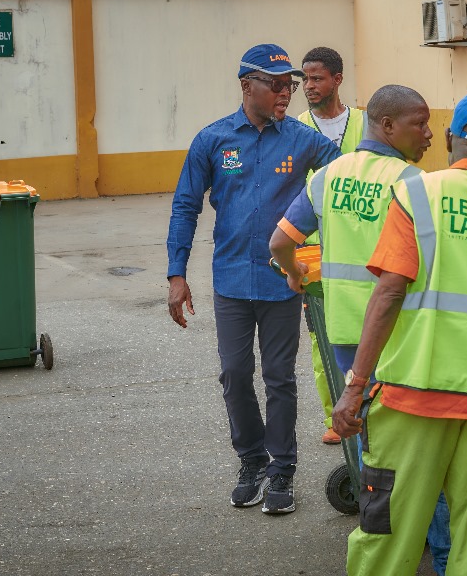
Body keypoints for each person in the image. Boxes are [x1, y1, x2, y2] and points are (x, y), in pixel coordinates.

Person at [332, 92, 467, 576]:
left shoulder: (416, 195)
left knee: (391, 528)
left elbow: (388, 294)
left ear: (450, 138)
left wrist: (354, 386)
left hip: (414, 394)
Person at [271, 84, 452, 573]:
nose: (429, 133)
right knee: (419, 444)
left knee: (369, 444)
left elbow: (280, 241)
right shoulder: (418, 184)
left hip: (347, 333)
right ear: (387, 125)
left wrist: (294, 274)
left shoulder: (329, 176)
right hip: (404, 336)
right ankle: (437, 546)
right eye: (420, 123)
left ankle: (383, 542)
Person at [166, 43, 342, 516]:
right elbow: (186, 204)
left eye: (292, 84)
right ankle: (251, 461)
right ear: (248, 86)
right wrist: (176, 273)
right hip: (231, 282)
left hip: (283, 280)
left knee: (280, 377)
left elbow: (346, 172)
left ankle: (282, 470)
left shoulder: (302, 141)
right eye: (278, 84)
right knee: (234, 373)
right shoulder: (213, 139)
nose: (289, 92)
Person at [296, 46, 367, 445]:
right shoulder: (296, 128)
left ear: (337, 79)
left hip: (362, 246)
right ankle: (335, 417)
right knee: (323, 336)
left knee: (368, 328)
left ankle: (370, 407)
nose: (308, 86)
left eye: (317, 78)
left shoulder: (365, 123)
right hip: (316, 252)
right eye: (305, 79)